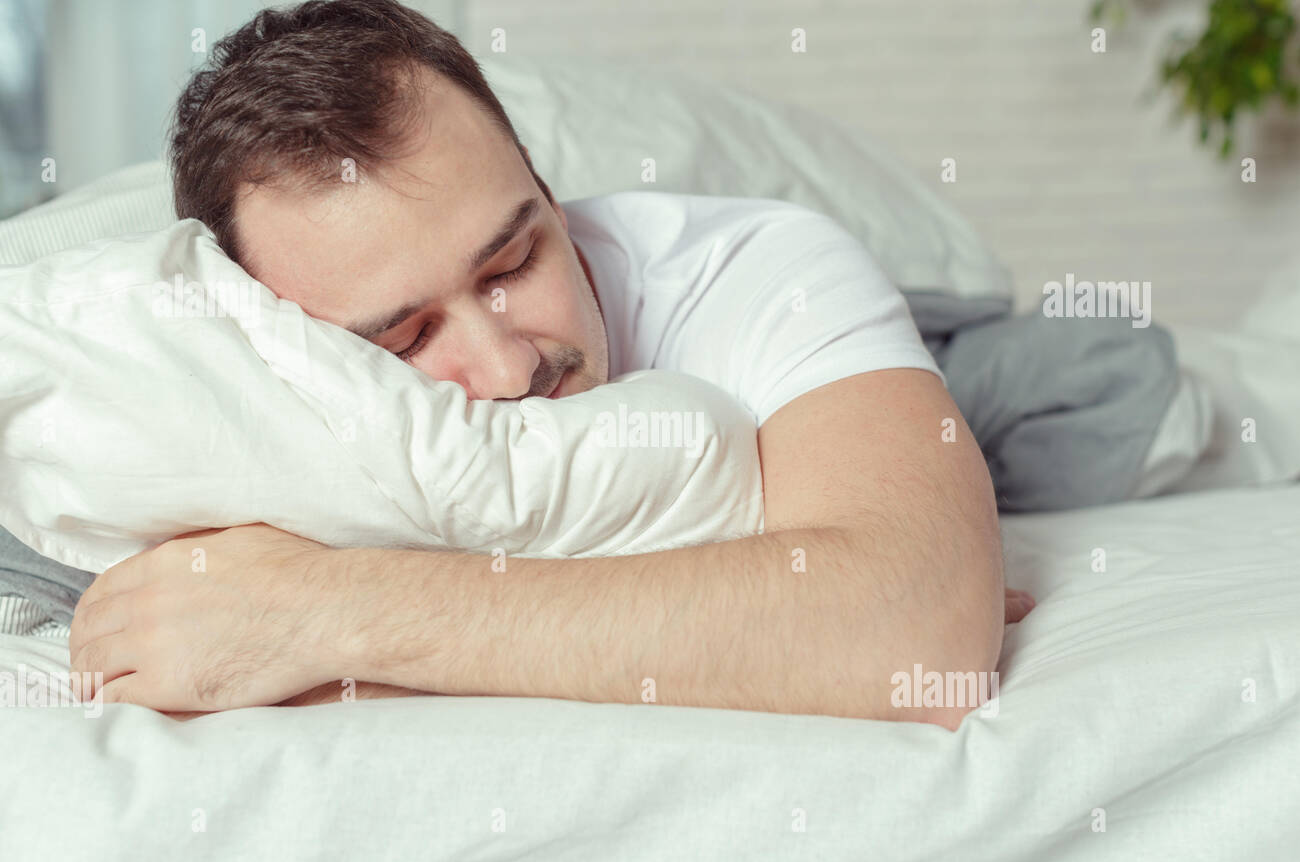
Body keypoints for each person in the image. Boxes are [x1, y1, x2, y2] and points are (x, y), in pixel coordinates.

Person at [64, 0, 1026, 728]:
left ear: (549, 198)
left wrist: (327, 610)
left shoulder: (765, 270)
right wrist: (757, 607)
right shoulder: (231, 383)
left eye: (513, 263)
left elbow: (915, 625)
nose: (510, 362)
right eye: (404, 342)